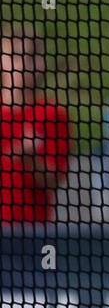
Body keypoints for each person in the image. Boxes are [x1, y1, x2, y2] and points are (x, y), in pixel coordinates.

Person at [0, 26, 71, 223]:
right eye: (14, 55)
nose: (21, 65)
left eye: (30, 56)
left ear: (40, 64)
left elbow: (54, 180)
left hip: (33, 230)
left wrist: (30, 159)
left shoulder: (52, 114)